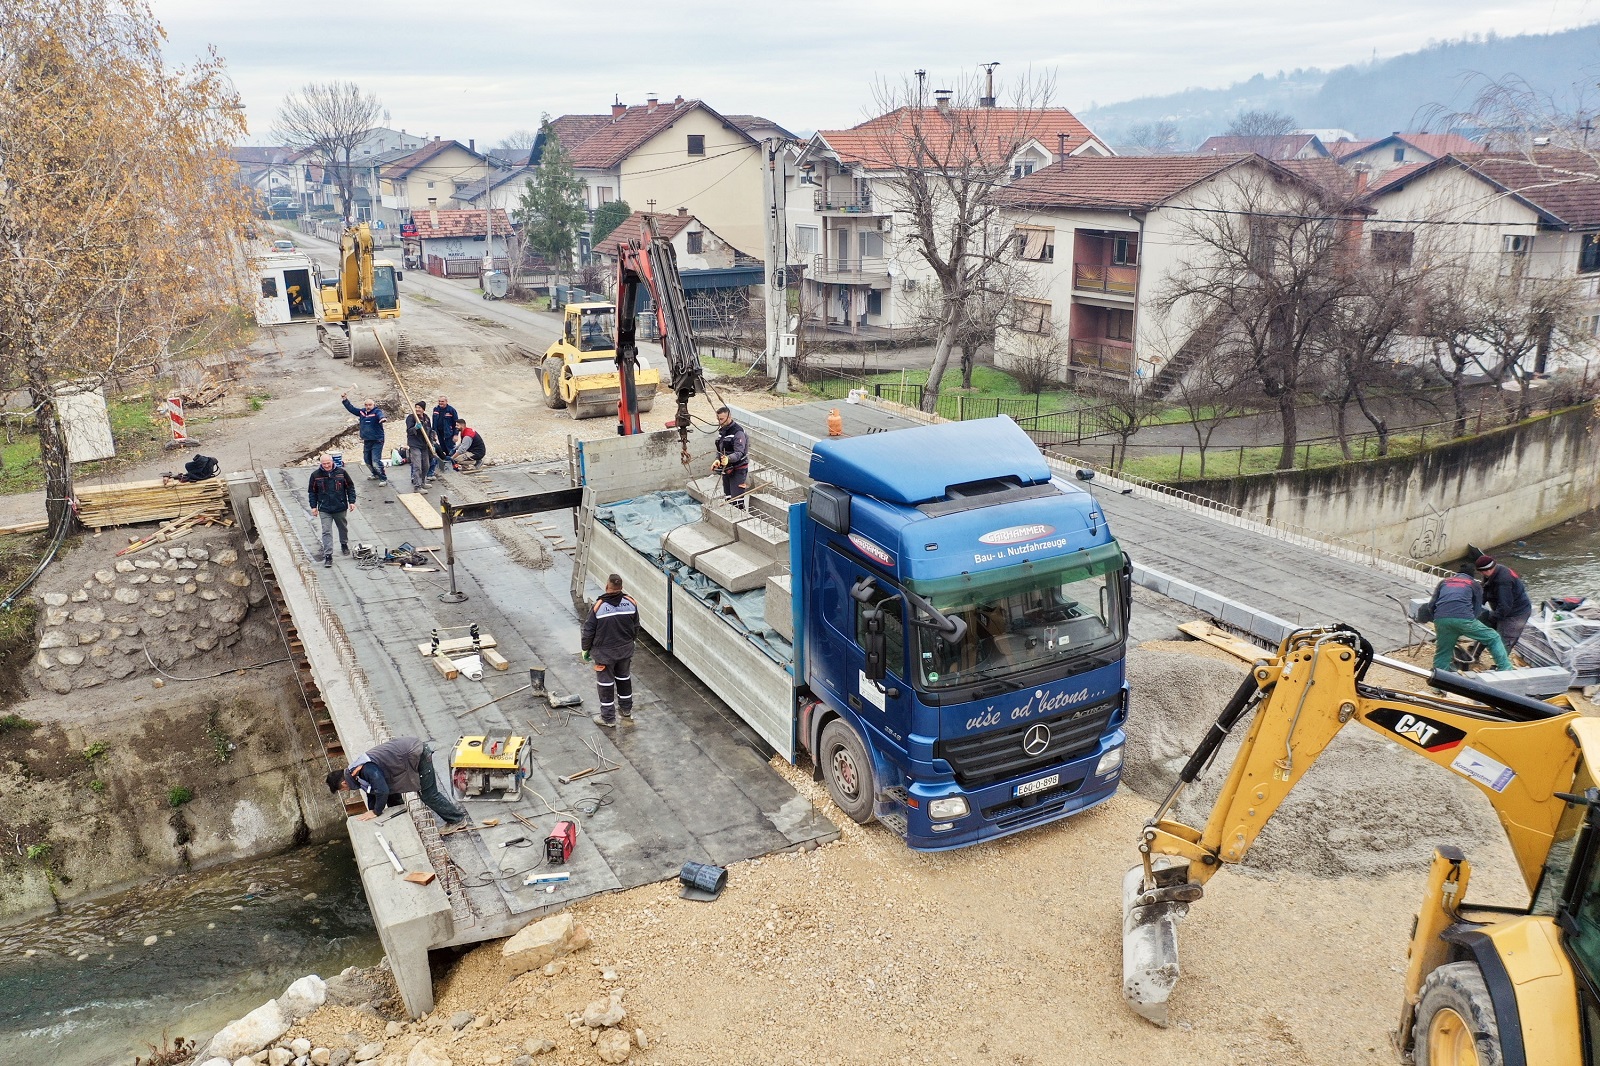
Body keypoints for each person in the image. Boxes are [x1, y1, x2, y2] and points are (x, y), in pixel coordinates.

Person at [325, 736, 467, 826]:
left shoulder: (366, 770)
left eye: (343, 790)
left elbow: (382, 790)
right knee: (389, 793)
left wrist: (376, 811)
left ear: (344, 783)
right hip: (408, 753)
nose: (347, 790)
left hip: (417, 753)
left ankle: (457, 820)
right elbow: (371, 791)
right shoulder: (355, 772)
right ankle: (401, 810)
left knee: (428, 794)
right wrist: (372, 811)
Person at [1425, 565, 1513, 673]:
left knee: (1444, 651)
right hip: (1464, 619)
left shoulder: (1444, 582)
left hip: (1441, 619)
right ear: (1472, 575)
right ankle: (1506, 669)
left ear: (1457, 573)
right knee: (1493, 637)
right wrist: (1470, 622)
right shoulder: (1474, 584)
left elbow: (1431, 605)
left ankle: (1438, 679)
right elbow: (1477, 609)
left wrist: (1440, 619)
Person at [581, 573, 640, 728]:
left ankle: (608, 718)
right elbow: (636, 627)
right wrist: (630, 642)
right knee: (624, 678)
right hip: (625, 651)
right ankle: (626, 709)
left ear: (607, 586)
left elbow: (588, 631)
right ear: (621, 587)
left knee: (605, 684)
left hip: (604, 654)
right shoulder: (631, 603)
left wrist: (585, 649)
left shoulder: (599, 607)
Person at [1476, 554, 1533, 656]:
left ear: (1487, 570)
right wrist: (1479, 605)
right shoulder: (1492, 572)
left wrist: (1492, 619)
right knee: (1487, 631)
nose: (1481, 574)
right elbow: (1485, 590)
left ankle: (1501, 663)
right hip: (1502, 609)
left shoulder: (1503, 580)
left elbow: (1505, 605)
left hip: (1516, 613)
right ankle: (1474, 653)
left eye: (1481, 571)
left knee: (1505, 640)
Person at [307, 453, 356, 568]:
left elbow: (350, 487)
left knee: (342, 527)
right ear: (321, 464)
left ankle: (344, 544)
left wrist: (352, 501)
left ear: (332, 462)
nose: (326, 466)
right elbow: (312, 492)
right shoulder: (315, 475)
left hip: (340, 507)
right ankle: (328, 555)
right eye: (324, 464)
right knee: (326, 531)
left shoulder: (342, 473)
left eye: (328, 463)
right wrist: (313, 507)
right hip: (324, 509)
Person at [341, 392, 388, 484]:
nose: (368, 406)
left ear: (374, 405)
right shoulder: (362, 412)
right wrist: (345, 400)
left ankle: (383, 478)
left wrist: (382, 419)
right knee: (367, 460)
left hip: (377, 440)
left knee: (375, 461)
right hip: (367, 440)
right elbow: (351, 409)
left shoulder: (377, 412)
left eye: (370, 405)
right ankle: (375, 474)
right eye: (366, 405)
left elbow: (381, 415)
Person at [711, 406, 750, 509]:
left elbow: (739, 452)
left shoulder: (738, 432)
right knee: (728, 498)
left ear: (729, 417)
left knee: (737, 501)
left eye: (721, 419)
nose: (719, 422)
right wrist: (717, 460)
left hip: (738, 470)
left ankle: (740, 516)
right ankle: (731, 514)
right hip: (727, 469)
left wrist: (728, 458)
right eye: (718, 419)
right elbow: (720, 449)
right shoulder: (723, 431)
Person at [404, 401, 434, 493]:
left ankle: (423, 482)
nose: (417, 409)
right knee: (417, 466)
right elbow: (409, 431)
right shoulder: (411, 418)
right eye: (416, 407)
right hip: (414, 444)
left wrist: (431, 444)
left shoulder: (426, 418)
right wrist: (415, 428)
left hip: (424, 444)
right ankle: (417, 487)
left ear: (423, 409)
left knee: (426, 465)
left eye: (419, 408)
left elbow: (430, 431)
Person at [429, 395, 460, 480]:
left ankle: (454, 466)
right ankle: (445, 466)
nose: (440, 403)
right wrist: (433, 432)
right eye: (439, 401)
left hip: (449, 433)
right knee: (442, 449)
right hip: (439, 433)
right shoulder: (436, 409)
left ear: (446, 401)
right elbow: (433, 421)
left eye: (442, 401)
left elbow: (456, 423)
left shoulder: (451, 410)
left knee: (451, 450)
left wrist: (456, 434)